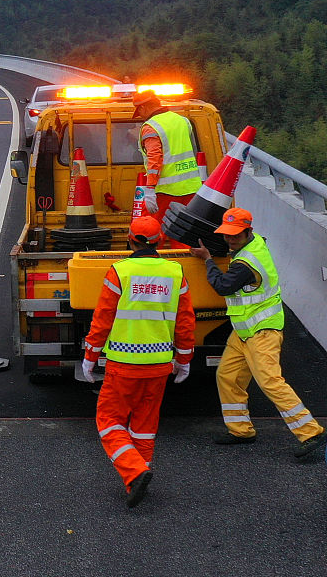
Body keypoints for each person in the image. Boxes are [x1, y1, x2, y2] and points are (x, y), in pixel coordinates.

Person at [190, 208, 326, 461]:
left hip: (262, 331)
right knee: (228, 376)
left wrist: (208, 259)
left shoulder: (246, 262)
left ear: (248, 231)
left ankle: (312, 434)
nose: (230, 240)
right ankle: (241, 431)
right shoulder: (253, 244)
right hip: (244, 331)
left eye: (235, 236)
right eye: (227, 235)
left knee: (270, 381)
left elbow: (223, 286)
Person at [79, 215, 195, 507]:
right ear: (160, 242)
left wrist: (90, 356)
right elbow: (184, 322)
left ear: (130, 240)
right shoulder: (175, 272)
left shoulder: (120, 272)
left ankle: (136, 471)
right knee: (144, 425)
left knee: (108, 420)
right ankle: (135, 481)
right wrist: (184, 359)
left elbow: (102, 318)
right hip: (159, 365)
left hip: (123, 364)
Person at [133, 90, 202, 246]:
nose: (141, 116)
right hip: (191, 188)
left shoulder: (151, 127)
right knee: (182, 234)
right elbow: (192, 151)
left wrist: (150, 189)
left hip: (165, 191)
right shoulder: (183, 121)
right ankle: (184, 266)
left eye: (139, 112)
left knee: (147, 234)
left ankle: (150, 267)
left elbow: (154, 160)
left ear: (143, 108)